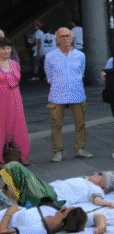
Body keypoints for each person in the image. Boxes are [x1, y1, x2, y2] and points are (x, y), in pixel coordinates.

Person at [45, 27, 90, 162]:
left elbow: (81, 73)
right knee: (57, 124)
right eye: (61, 36)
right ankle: (58, 152)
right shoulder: (50, 56)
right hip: (57, 95)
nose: (65, 39)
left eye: (67, 36)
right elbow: (49, 77)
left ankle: (80, 149)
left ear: (72, 38)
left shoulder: (80, 55)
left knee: (80, 123)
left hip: (77, 93)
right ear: (57, 40)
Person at [0, 203, 106, 234]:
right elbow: (97, 216)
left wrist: (9, 212)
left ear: (62, 222)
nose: (61, 208)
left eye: (63, 211)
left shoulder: (35, 229)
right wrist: (101, 226)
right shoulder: (64, 219)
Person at [0, 37, 29, 164]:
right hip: (1, 102)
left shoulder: (15, 64)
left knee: (19, 127)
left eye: (8, 48)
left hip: (16, 101)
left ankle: (22, 156)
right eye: (2, 48)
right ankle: (1, 160)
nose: (6, 51)